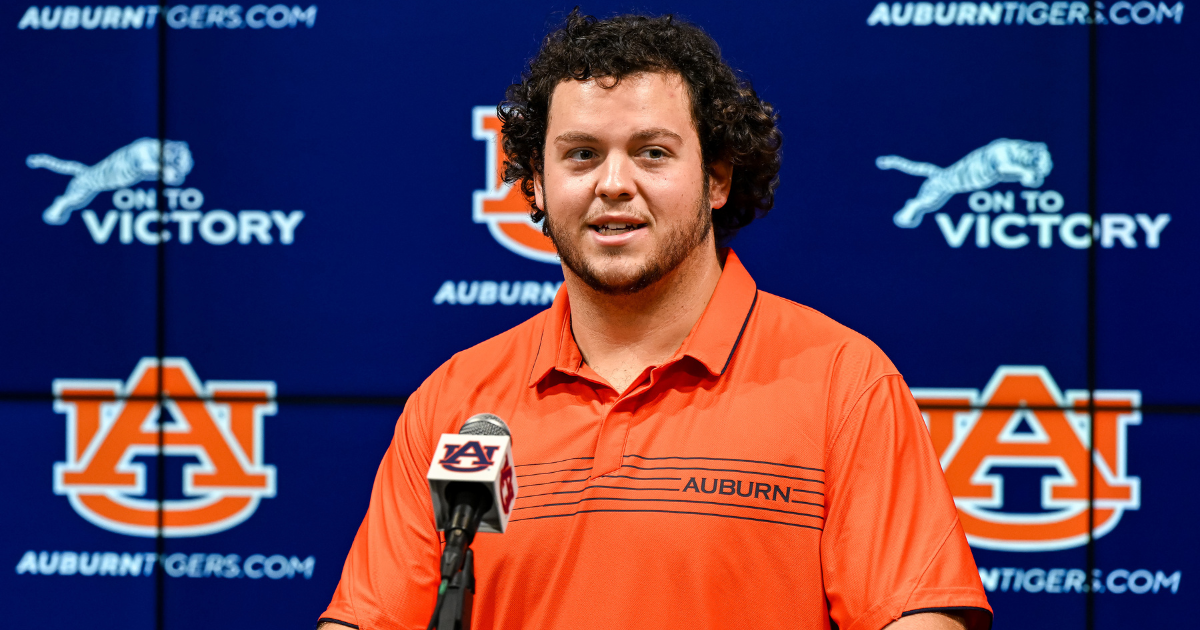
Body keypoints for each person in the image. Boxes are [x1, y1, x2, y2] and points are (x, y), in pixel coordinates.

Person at [319, 10, 991, 630]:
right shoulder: (456, 401)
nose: (614, 183)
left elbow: (918, 619)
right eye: (581, 154)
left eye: (652, 152)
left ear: (717, 179)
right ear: (538, 185)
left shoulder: (843, 382)